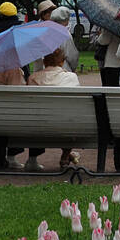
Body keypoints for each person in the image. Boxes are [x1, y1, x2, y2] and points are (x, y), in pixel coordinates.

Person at [24, 42, 81, 172]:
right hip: (65, 126)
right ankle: (66, 155)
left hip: (37, 125)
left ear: (44, 61)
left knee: (37, 114)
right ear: (62, 62)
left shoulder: (33, 78)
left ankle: (32, 159)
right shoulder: (71, 78)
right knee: (69, 117)